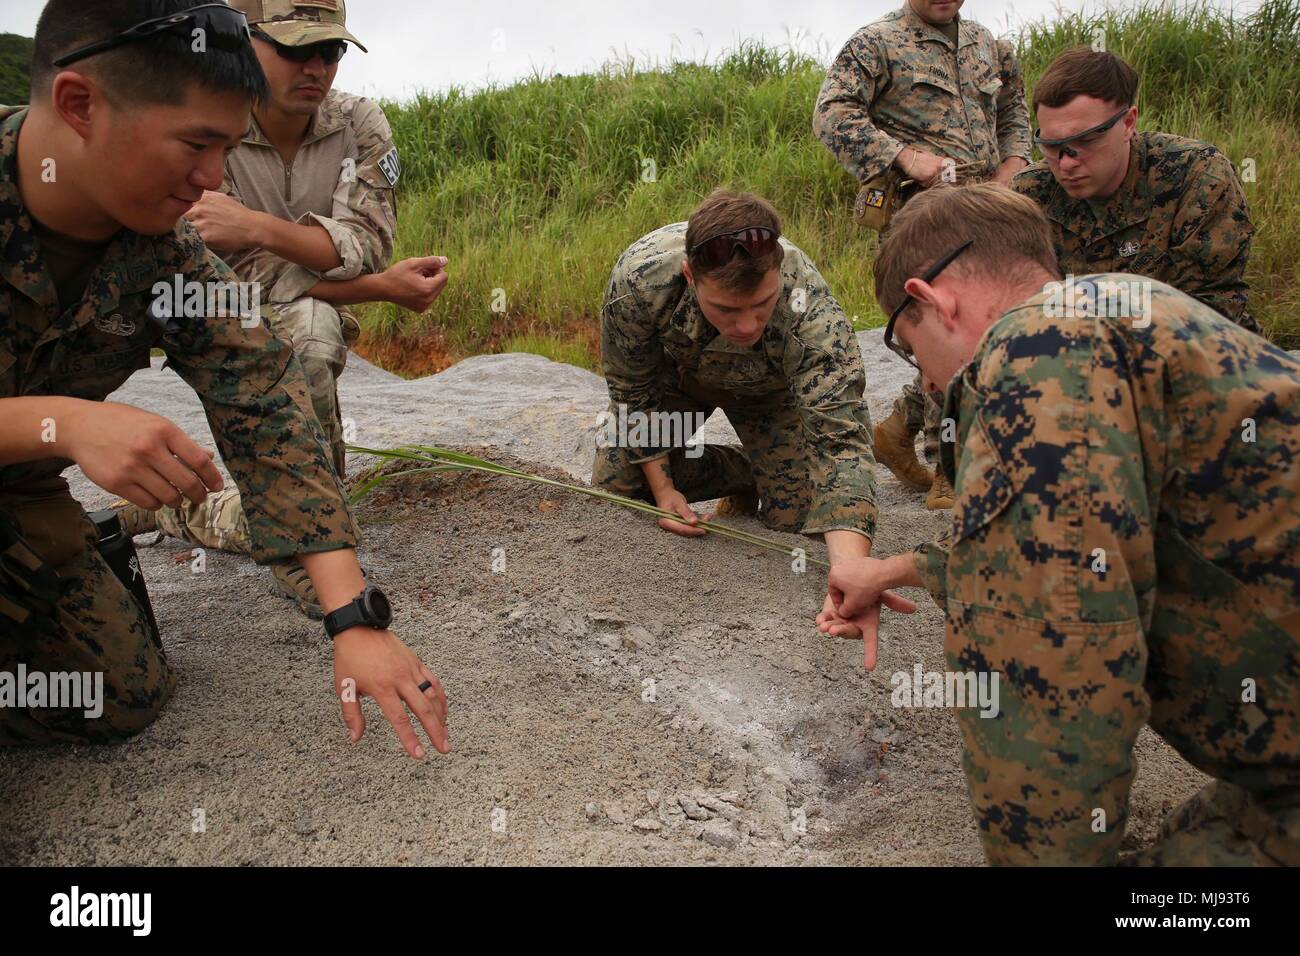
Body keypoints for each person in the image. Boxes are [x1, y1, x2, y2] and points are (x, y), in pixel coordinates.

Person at [0, 0, 448, 761]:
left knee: (119, 695)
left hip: (19, 491)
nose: (212, 180)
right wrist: (65, 424)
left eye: (228, 146)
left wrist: (353, 618)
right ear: (79, 104)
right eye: (196, 145)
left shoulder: (165, 251)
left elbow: (263, 397)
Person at [824, 182, 1299, 864]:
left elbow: (1050, 658)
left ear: (932, 299)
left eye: (907, 346)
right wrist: (893, 572)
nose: (926, 384)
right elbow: (1090, 536)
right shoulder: (1122, 309)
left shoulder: (1037, 352)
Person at [116, 0, 449, 617]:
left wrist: (256, 227)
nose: (316, 67)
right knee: (312, 335)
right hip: (210, 317)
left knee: (312, 330)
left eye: (331, 51)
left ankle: (278, 521)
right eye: (295, 50)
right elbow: (228, 276)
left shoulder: (359, 124)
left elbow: (367, 246)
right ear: (245, 44)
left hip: (289, 305)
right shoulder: (213, 122)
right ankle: (309, 539)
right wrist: (371, 284)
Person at [594, 188, 910, 644]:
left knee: (802, 516)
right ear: (689, 275)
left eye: (761, 305)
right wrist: (665, 491)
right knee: (621, 492)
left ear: (778, 271)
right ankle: (742, 470)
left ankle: (765, 471)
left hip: (769, 396)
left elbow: (841, 441)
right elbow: (631, 393)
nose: (745, 326)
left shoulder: (812, 312)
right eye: (726, 309)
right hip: (681, 387)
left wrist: (851, 573)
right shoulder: (640, 279)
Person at [814, 0, 1032, 509]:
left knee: (985, 327)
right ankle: (948, 470)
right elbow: (831, 115)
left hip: (991, 209)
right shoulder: (877, 43)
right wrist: (905, 157)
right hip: (922, 215)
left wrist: (1013, 168)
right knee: (941, 326)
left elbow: (1015, 112)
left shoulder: (989, 45)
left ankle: (897, 428)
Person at [1012, 45, 1258, 332]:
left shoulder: (1198, 176)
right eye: (1052, 146)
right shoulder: (1030, 193)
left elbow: (1209, 312)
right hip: (1070, 355)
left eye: (1086, 140)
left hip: (1189, 355)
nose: (1065, 164)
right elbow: (1018, 304)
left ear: (1128, 123)